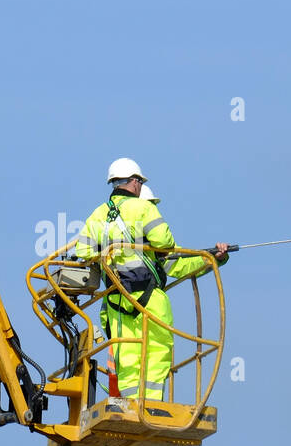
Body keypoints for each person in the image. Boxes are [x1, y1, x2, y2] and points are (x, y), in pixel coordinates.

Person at [75, 158, 229, 400]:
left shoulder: (97, 215)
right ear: (135, 183)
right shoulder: (143, 210)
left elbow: (82, 253)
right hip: (149, 300)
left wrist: (212, 258)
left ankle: (128, 406)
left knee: (126, 357)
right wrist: (214, 259)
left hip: (115, 304)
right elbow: (168, 248)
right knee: (156, 351)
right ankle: (151, 407)